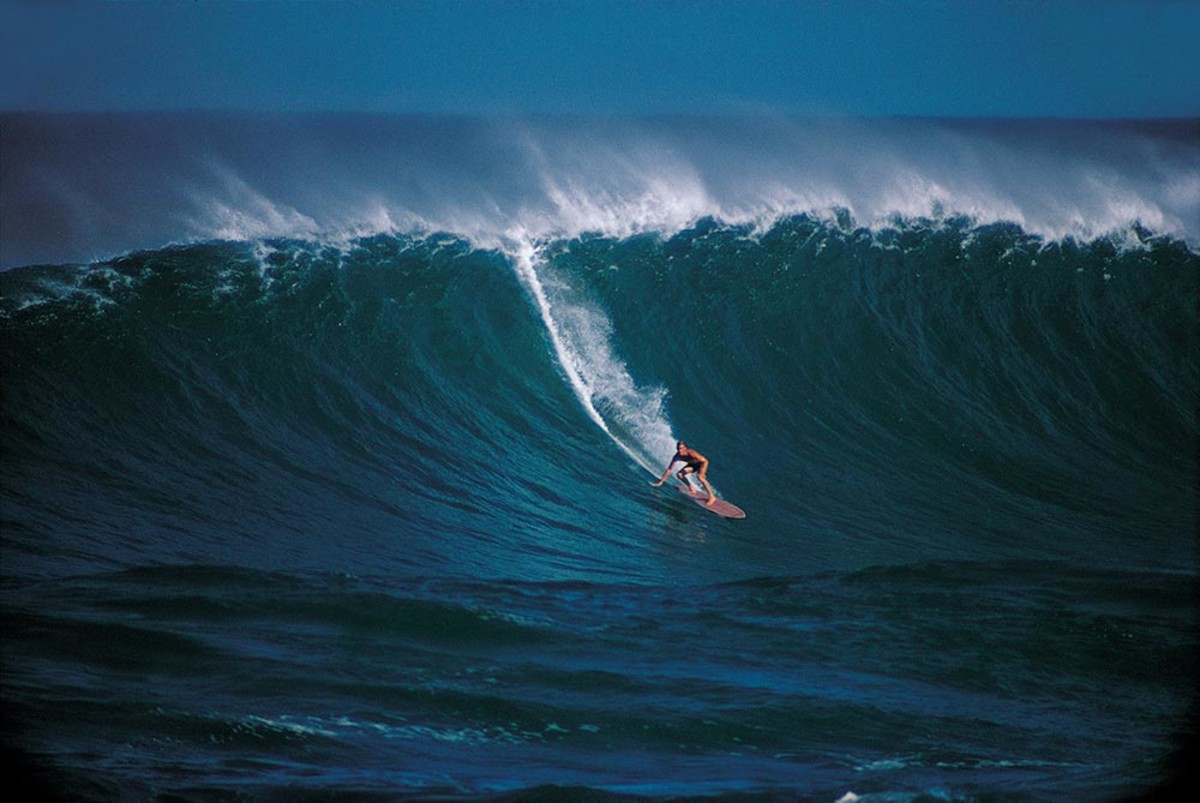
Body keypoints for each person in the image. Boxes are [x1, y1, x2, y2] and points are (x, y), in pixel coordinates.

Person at [651, 441, 717, 505]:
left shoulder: (691, 453)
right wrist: (661, 481)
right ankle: (691, 487)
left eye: (681, 448)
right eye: (678, 449)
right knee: (679, 475)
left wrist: (703, 472)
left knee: (700, 477)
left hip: (701, 464)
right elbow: (669, 469)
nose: (680, 451)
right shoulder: (677, 456)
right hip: (693, 465)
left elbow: (705, 461)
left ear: (685, 448)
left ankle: (712, 497)